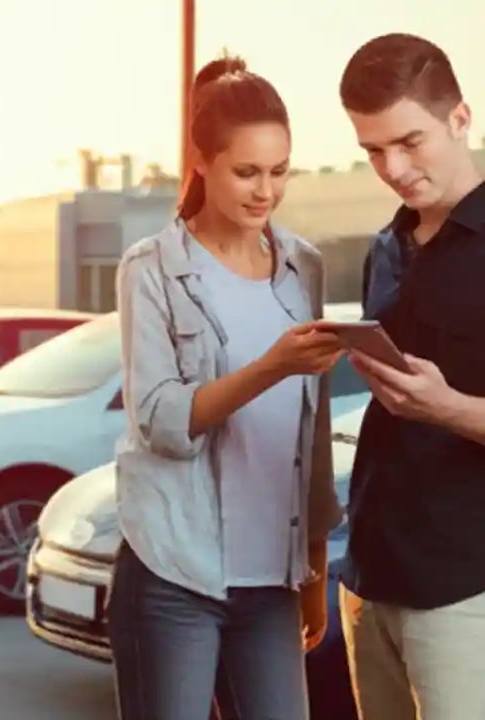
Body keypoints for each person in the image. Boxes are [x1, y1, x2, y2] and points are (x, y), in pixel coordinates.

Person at [107, 54, 344, 720]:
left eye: (278, 172)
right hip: (174, 572)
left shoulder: (304, 267)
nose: (264, 191)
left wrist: (314, 564)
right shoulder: (151, 268)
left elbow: (312, 430)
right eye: (246, 172)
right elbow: (160, 422)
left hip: (272, 578)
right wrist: (270, 365)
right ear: (202, 162)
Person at [336, 33, 485, 720]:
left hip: (464, 592)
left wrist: (450, 408)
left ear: (461, 117)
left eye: (409, 142)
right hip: (368, 582)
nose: (392, 168)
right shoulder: (385, 248)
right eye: (372, 150)